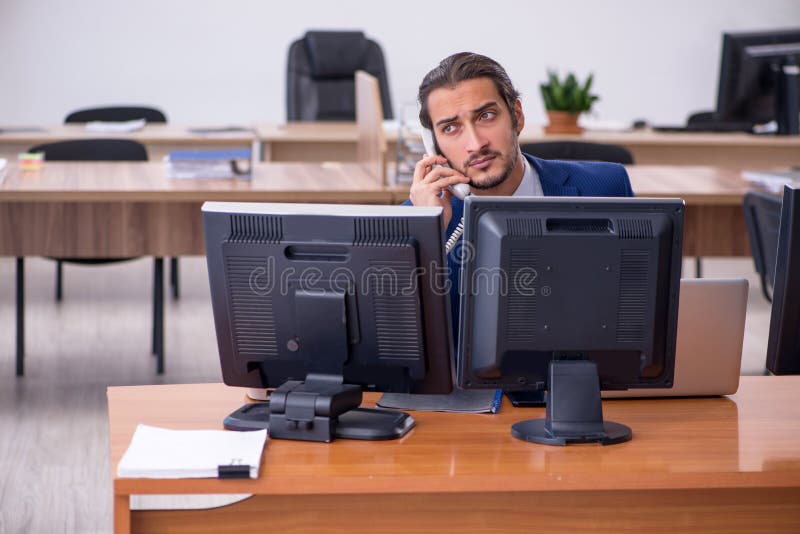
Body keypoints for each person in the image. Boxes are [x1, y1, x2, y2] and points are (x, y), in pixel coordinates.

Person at [406, 52, 634, 331]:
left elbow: (634, 311)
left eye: (486, 116)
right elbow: (406, 342)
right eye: (451, 128)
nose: (475, 144)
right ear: (434, 145)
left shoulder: (605, 188)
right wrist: (430, 235)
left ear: (517, 115)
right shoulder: (420, 218)